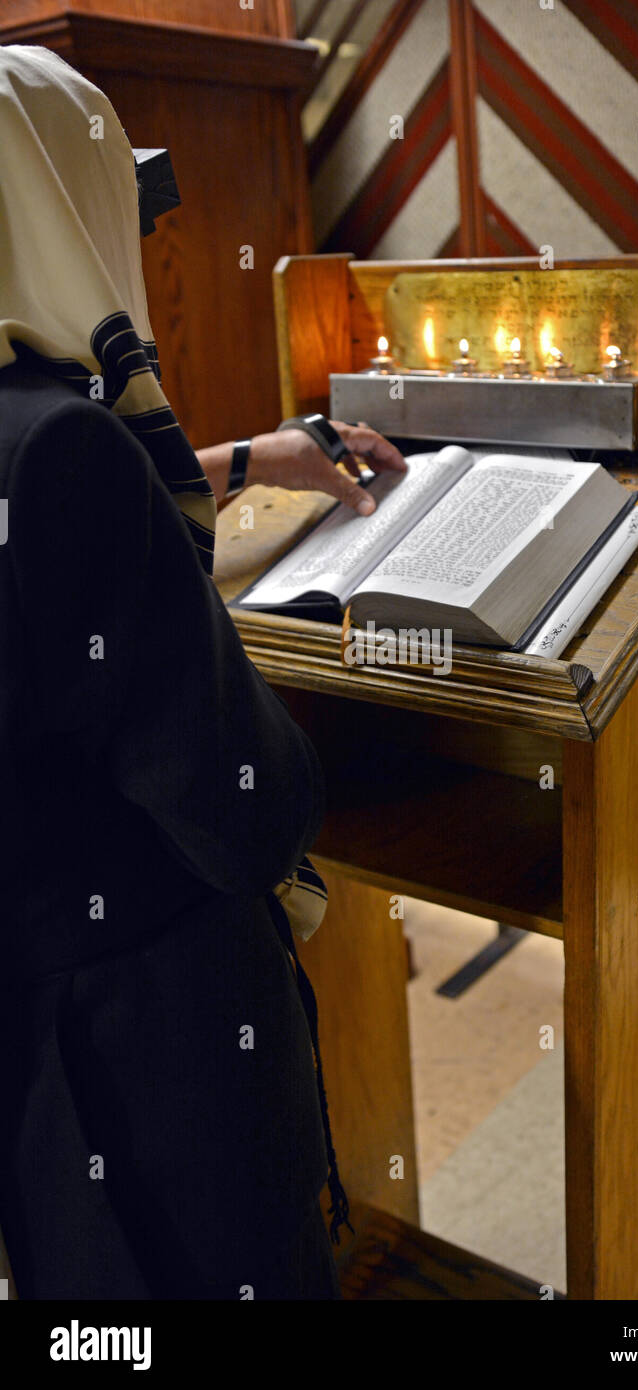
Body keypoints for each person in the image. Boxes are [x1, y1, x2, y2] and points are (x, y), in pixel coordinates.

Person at [0, 44, 406, 1300]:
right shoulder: (67, 449)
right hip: (153, 1056)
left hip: (35, 1047)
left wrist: (242, 463)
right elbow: (247, 812)